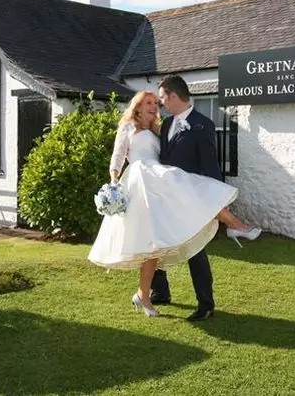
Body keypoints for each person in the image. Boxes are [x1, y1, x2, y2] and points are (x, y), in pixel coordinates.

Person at [88, 85, 260, 319]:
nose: (154, 106)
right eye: (148, 102)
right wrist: (114, 181)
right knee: (151, 242)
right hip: (141, 181)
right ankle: (148, 294)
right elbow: (118, 155)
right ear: (137, 108)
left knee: (180, 210)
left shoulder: (161, 129)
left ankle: (235, 226)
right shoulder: (128, 127)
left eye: (155, 103)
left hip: (158, 181)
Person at [150, 75, 260, 320]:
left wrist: (217, 199)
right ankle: (160, 291)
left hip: (191, 201)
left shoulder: (203, 125)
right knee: (156, 242)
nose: (161, 104)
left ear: (174, 96)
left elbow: (210, 166)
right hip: (166, 198)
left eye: (162, 99)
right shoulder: (167, 124)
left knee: (195, 251)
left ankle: (206, 305)